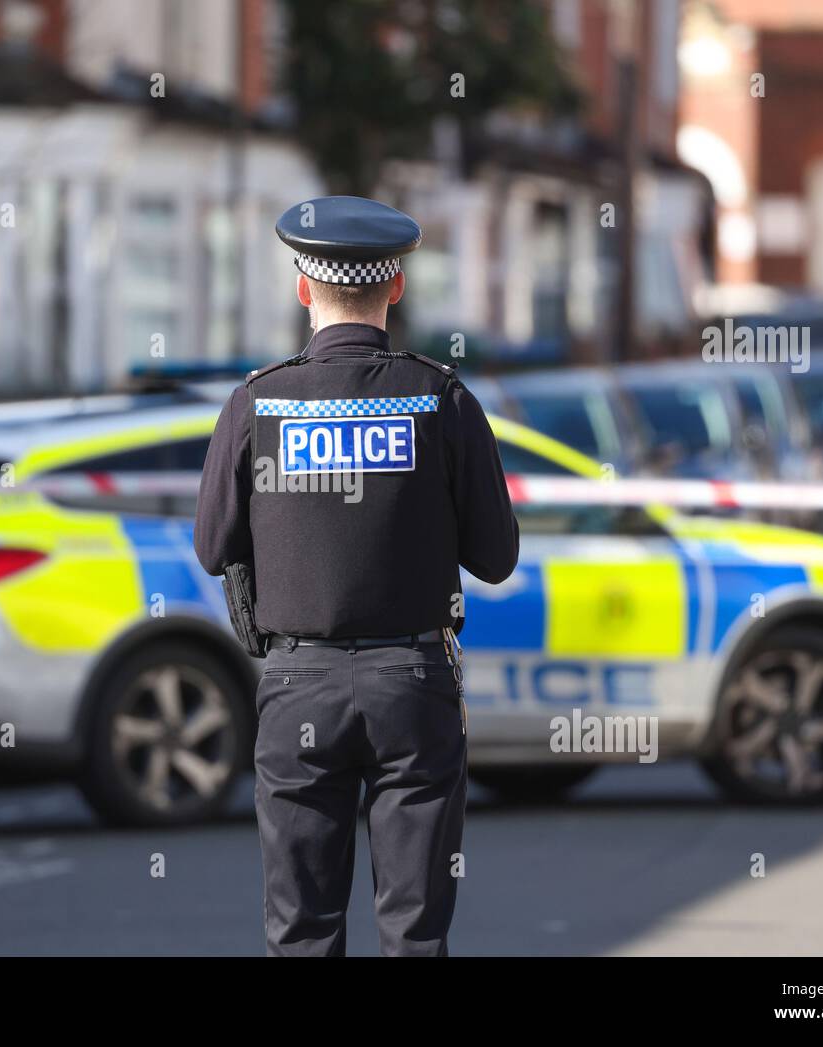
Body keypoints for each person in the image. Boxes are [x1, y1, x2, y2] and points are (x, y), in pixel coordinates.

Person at [194, 195, 519, 956]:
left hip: (297, 686)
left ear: (303, 288)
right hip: (412, 684)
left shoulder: (256, 402)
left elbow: (212, 547)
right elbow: (497, 557)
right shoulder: (440, 398)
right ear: (395, 287)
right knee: (413, 931)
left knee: (302, 930)